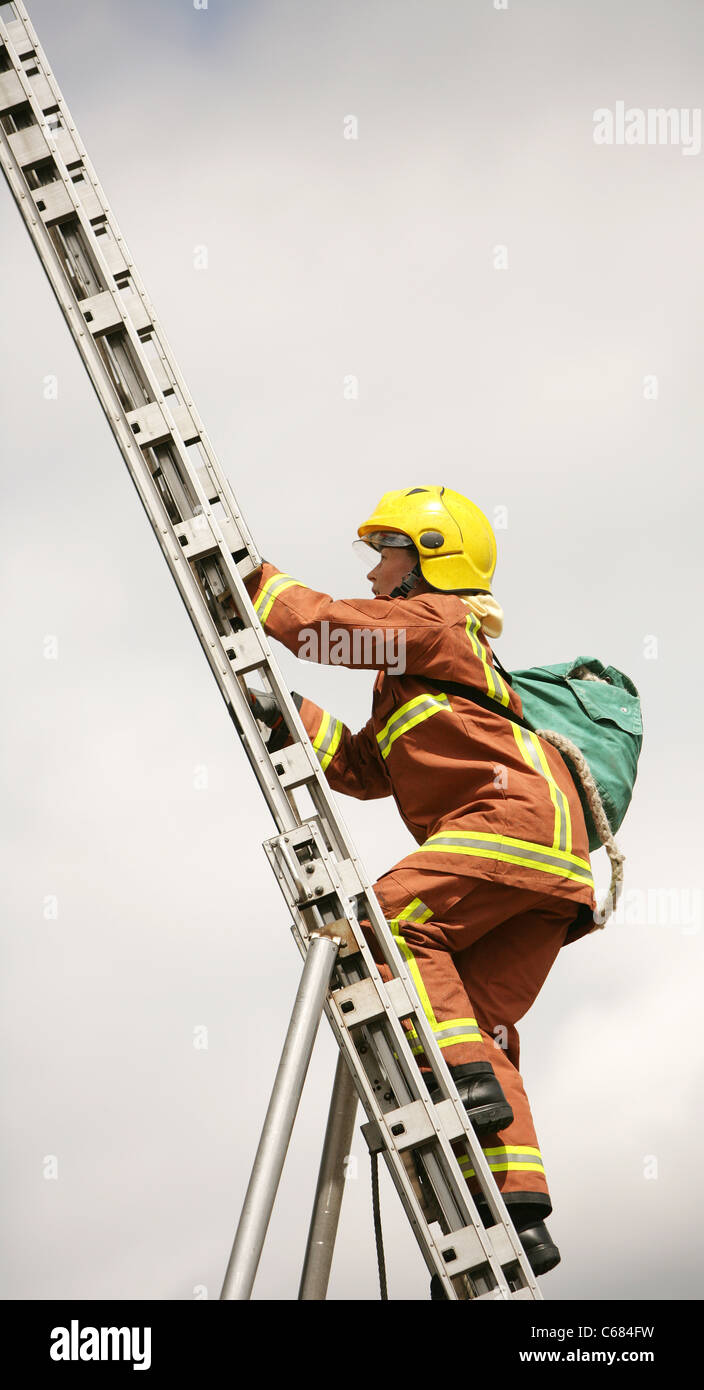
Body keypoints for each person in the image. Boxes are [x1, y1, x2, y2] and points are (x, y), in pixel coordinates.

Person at [239, 485, 598, 1287]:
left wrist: (250, 578)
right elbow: (367, 771)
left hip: (511, 827)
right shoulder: (418, 665)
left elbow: (320, 628)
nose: (371, 571)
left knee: (387, 924)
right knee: (472, 1018)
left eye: (385, 555)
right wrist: (283, 712)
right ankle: (514, 1207)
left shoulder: (436, 624)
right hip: (546, 867)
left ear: (429, 563)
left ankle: (460, 1083)